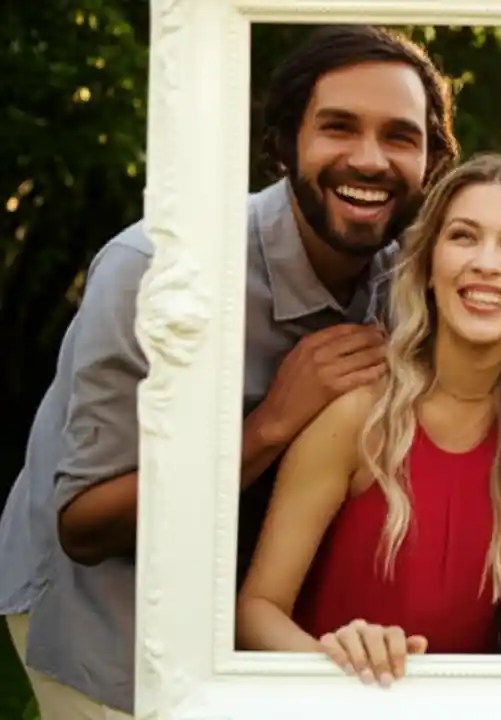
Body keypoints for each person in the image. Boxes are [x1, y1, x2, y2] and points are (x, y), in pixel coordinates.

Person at [0, 25, 458, 717]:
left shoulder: (407, 283)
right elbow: (84, 527)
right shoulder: (156, 271)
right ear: (283, 144)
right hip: (104, 608)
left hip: (253, 609)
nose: (370, 159)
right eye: (339, 127)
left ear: (431, 161)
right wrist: (269, 426)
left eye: (400, 136)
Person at [236, 153, 501, 686]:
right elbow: (256, 610)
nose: (487, 262)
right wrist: (338, 659)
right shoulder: (357, 416)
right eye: (464, 236)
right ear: (427, 267)